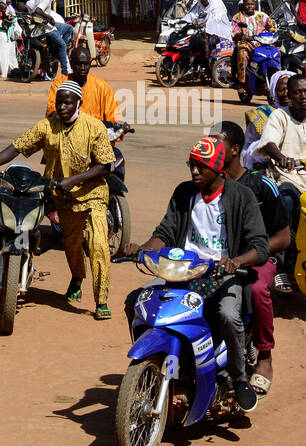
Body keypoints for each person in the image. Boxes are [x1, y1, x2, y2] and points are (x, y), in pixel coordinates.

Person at [123, 136, 268, 413]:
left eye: (201, 167)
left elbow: (259, 247)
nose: (194, 172)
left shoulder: (241, 197)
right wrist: (141, 249)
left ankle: (239, 379)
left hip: (221, 275)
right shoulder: (183, 193)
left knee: (227, 313)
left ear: (218, 169)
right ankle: (154, 361)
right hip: (182, 273)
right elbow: (165, 233)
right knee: (135, 302)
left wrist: (234, 262)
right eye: (192, 166)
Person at [0, 83, 115, 318]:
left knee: (98, 244)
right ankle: (77, 279)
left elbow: (105, 166)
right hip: (64, 199)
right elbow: (16, 147)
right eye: (59, 102)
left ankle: (101, 301)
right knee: (71, 245)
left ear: (78, 103)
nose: (61, 107)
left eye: (67, 102)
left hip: (93, 196)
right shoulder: (47, 127)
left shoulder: (94, 127)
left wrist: (75, 179)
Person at [215, 122, 290, 395]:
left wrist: (248, 256)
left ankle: (265, 356)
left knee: (258, 290)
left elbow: (283, 237)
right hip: (218, 259)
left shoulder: (261, 184)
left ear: (235, 150)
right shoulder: (210, 183)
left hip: (259, 260)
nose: (210, 148)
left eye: (216, 143)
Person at [258, 71, 306, 290]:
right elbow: (269, 143)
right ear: (290, 95)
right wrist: (281, 158)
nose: (302, 96)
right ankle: (281, 266)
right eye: (297, 92)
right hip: (288, 177)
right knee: (285, 201)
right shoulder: (280, 116)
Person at [45, 43, 121, 124]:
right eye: (79, 64)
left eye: (86, 64)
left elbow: (113, 114)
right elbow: (52, 109)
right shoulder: (60, 84)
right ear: (71, 64)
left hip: (96, 132)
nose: (83, 68)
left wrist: (119, 124)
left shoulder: (102, 87)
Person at [242, 69, 293, 170]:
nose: (285, 93)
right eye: (281, 90)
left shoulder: (301, 115)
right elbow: (247, 149)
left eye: (289, 89)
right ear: (274, 90)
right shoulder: (261, 115)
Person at [29, 0, 73, 75]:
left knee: (69, 28)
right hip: (46, 28)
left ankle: (56, 51)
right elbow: (38, 10)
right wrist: (49, 17)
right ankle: (65, 71)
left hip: (44, 25)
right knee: (62, 45)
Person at [231, 0, 274, 89]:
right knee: (242, 54)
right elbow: (234, 31)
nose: (250, 6)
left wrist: (272, 32)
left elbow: (272, 25)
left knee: (274, 52)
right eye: (247, 4)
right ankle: (241, 82)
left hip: (261, 43)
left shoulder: (262, 15)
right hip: (245, 44)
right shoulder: (237, 17)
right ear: (243, 5)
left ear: (255, 5)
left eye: (252, 4)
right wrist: (241, 35)